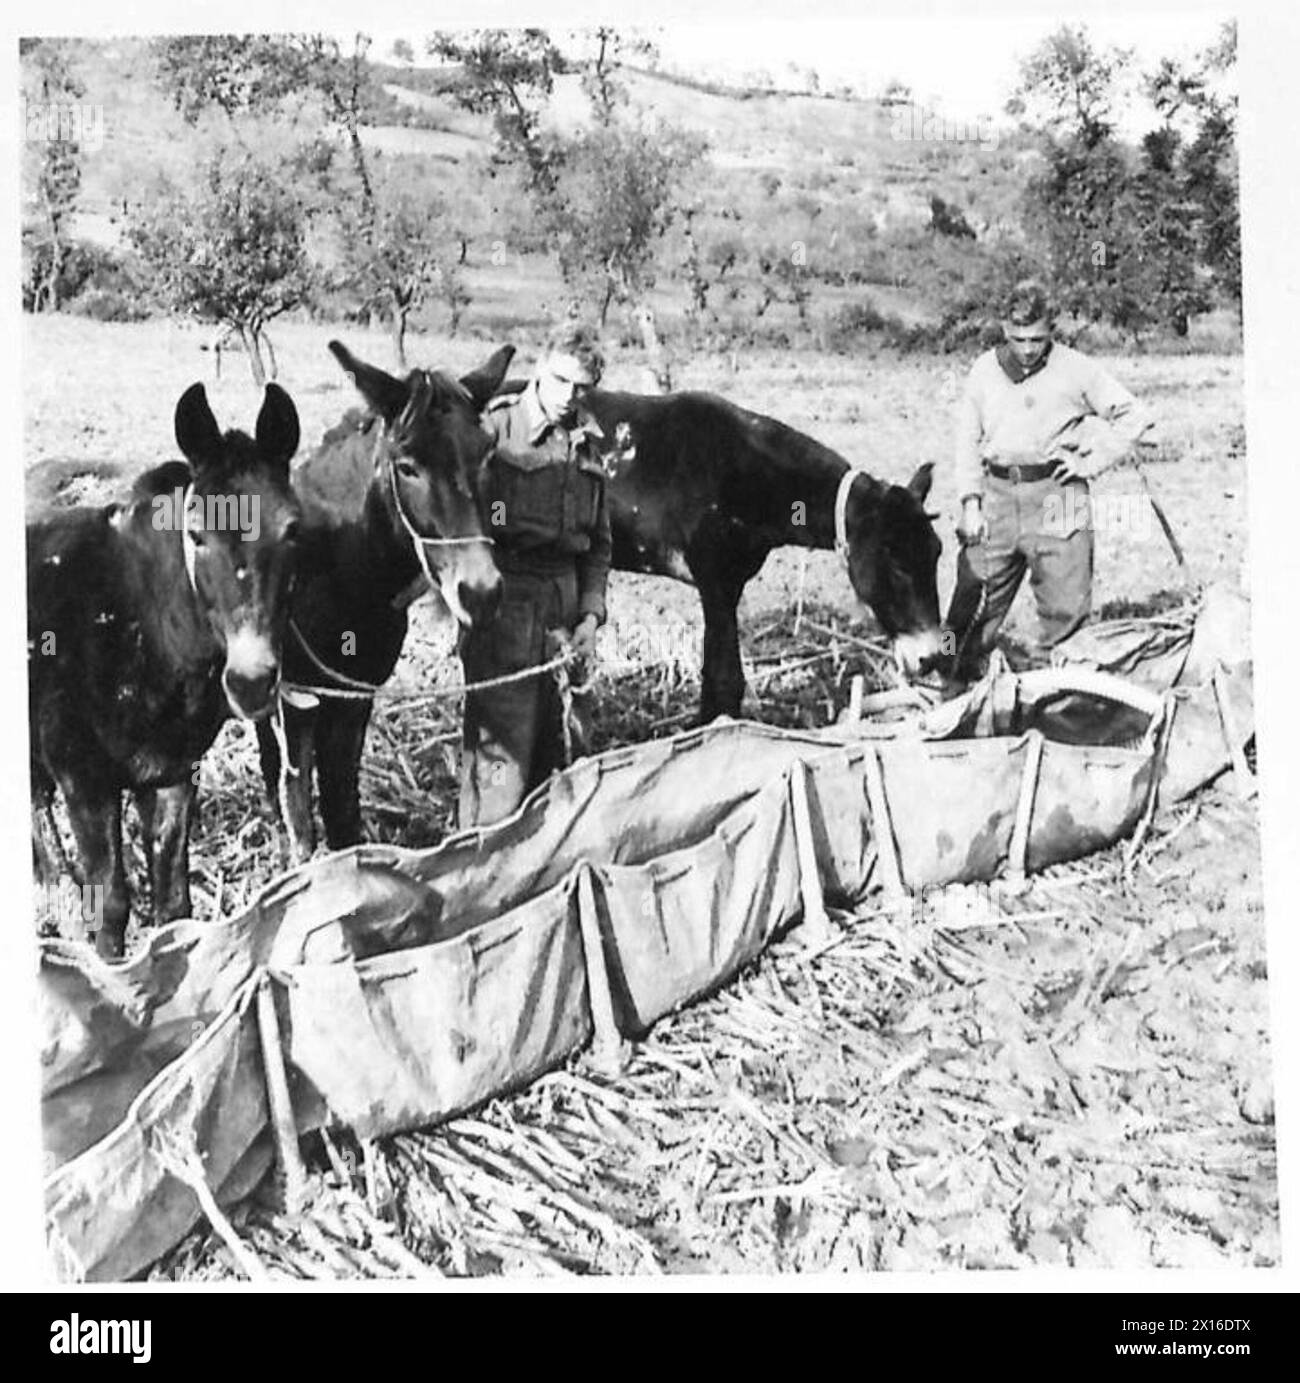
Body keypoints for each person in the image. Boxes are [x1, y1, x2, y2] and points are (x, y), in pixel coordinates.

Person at [946, 279, 1155, 681]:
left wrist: (1091, 463)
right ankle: (947, 685)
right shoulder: (984, 371)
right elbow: (965, 440)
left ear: (1051, 331)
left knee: (1067, 613)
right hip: (998, 496)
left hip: (1060, 496)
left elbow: (1135, 416)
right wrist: (970, 502)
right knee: (969, 606)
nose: (1027, 349)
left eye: (1037, 339)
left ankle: (1061, 705)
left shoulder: (1076, 368)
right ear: (1004, 329)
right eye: (1018, 338)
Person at [458, 322, 613, 828]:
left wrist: (591, 616)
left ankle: (544, 869)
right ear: (540, 371)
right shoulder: (496, 430)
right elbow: (466, 525)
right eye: (562, 381)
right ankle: (483, 861)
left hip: (565, 611)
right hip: (507, 606)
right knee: (502, 756)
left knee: (564, 747)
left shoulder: (590, 442)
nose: (571, 397)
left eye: (583, 387)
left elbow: (599, 545)